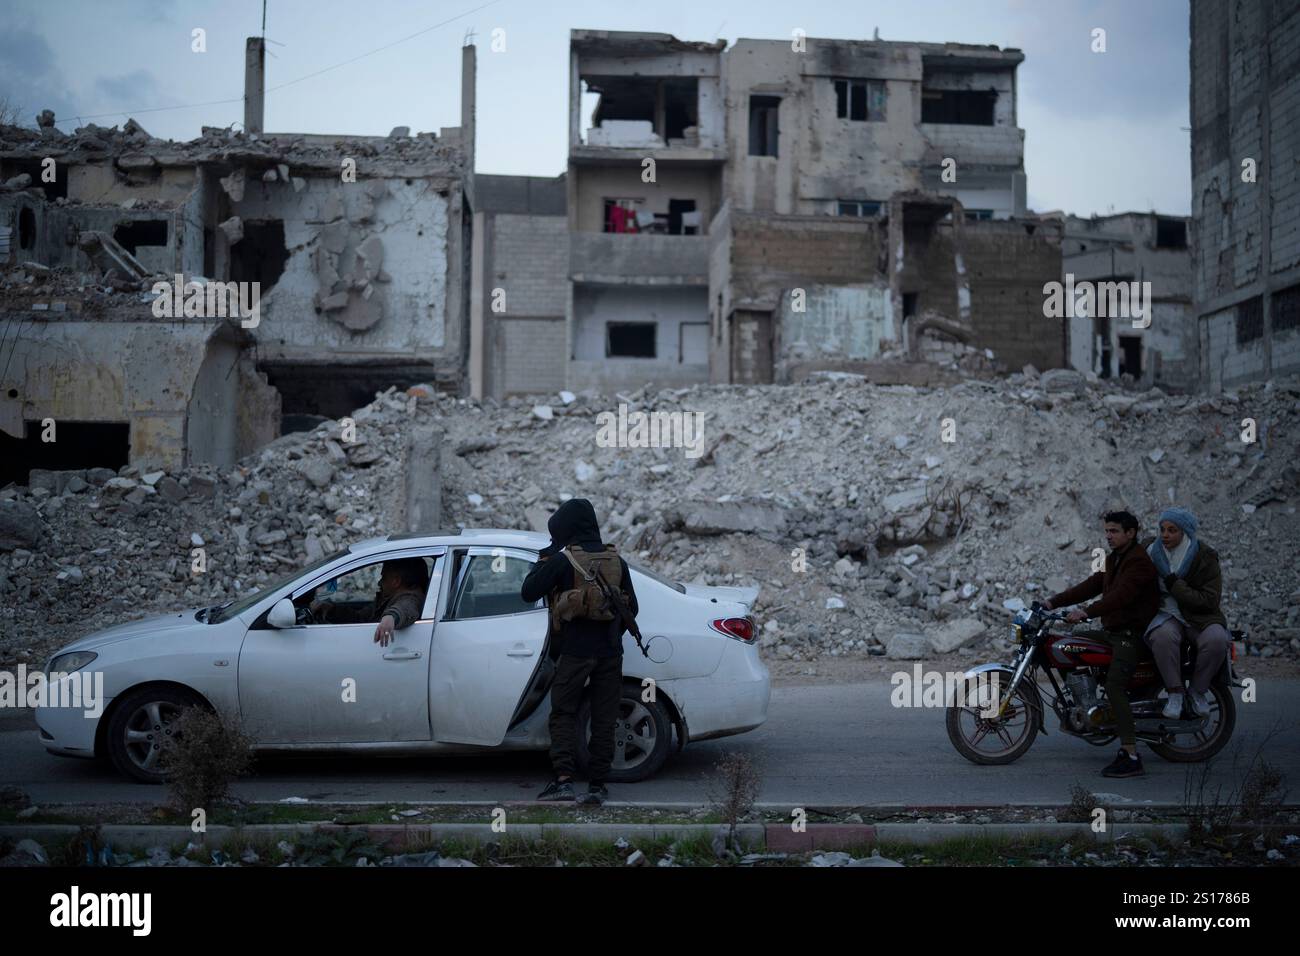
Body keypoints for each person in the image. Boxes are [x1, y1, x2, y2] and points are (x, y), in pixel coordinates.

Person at [520, 498, 638, 805]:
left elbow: (527, 591)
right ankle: (598, 785)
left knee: (563, 714)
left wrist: (544, 560)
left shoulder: (564, 560)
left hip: (574, 653)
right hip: (610, 653)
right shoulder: (616, 561)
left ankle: (563, 781)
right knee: (603, 716)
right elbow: (632, 609)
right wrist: (609, 635)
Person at [1043, 510, 1160, 778]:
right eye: (1107, 531)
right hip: (1112, 632)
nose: (1108, 535)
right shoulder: (1115, 558)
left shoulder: (1138, 563)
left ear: (1130, 533)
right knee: (1064, 645)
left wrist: (1086, 613)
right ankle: (1084, 705)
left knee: (1115, 686)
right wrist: (1053, 601)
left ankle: (1131, 756)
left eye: (1114, 531)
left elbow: (1120, 597)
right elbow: (1091, 585)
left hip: (1131, 635)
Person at [1143, 507, 1230, 719]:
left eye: (1172, 530)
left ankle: (1198, 691)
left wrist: (1175, 585)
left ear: (1185, 532)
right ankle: (1175, 692)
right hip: (1165, 613)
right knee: (1162, 636)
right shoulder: (1149, 551)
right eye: (1162, 529)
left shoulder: (1205, 556)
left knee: (1218, 639)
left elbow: (1210, 600)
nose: (1165, 535)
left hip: (1199, 616)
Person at [310, 558, 428, 648]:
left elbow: (406, 607)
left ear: (396, 581)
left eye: (383, 577)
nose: (380, 582)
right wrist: (332, 610)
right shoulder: (388, 598)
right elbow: (360, 617)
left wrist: (391, 617)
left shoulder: (411, 597)